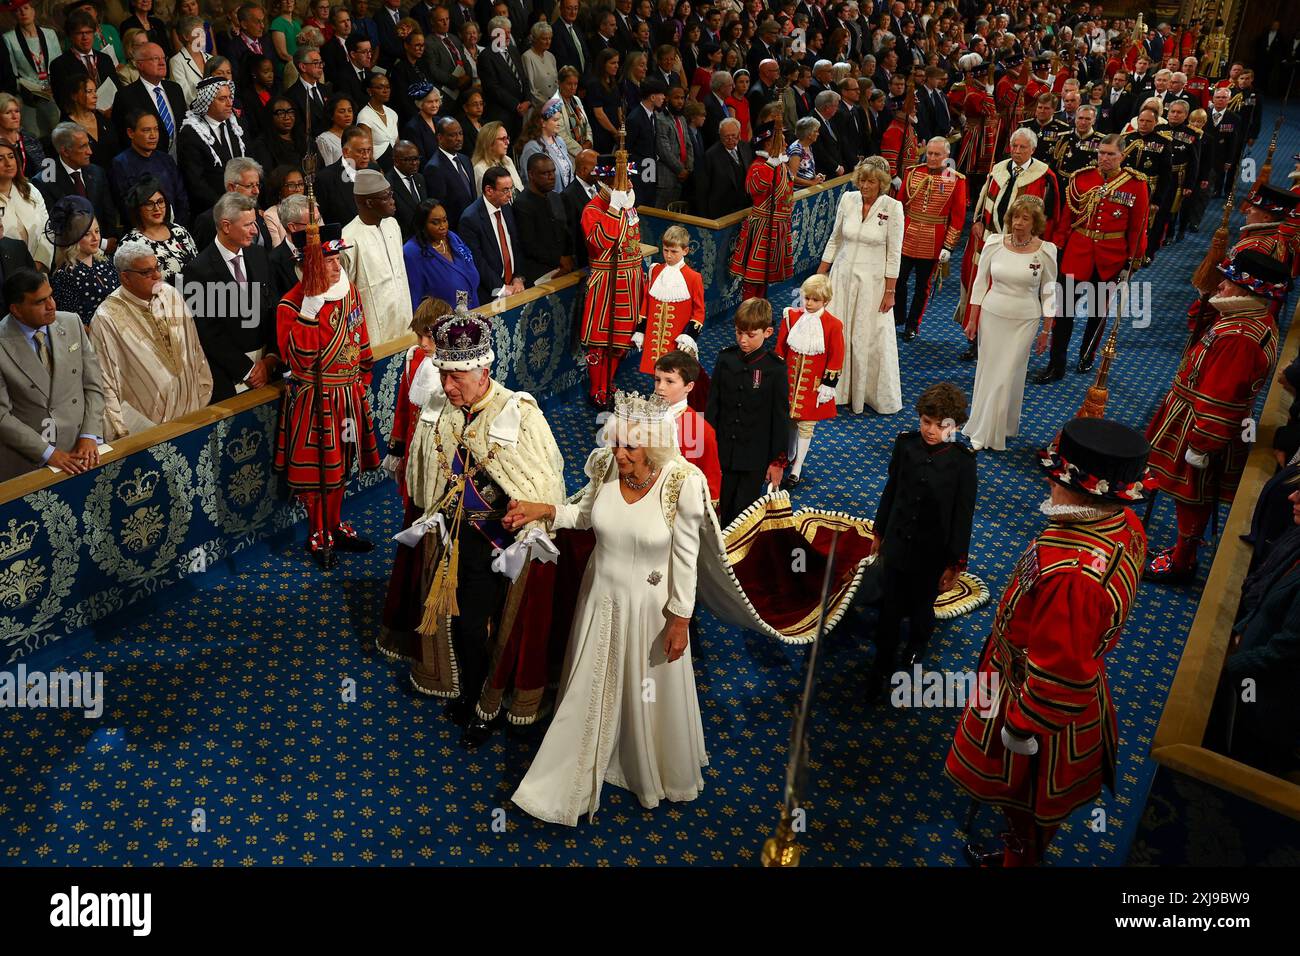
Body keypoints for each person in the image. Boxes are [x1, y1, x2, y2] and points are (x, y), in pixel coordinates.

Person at [946, 417, 1150, 867]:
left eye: (1056, 478)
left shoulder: (1073, 578)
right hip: (1062, 685)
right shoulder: (1125, 522)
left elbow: (1059, 673)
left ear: (1079, 489)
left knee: (1026, 806)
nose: (1049, 485)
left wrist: (1020, 728)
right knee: (1026, 812)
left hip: (1033, 703)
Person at [508, 390, 710, 824]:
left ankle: (641, 764)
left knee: (645, 692)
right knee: (589, 684)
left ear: (653, 445)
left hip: (653, 611)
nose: (619, 453)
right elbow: (583, 516)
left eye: (630, 446)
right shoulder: (604, 468)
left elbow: (687, 560)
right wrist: (538, 510)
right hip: (598, 598)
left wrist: (680, 619)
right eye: (615, 442)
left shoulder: (682, 483)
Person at [396, 298, 567, 744]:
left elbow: (545, 481)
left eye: (456, 377)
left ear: (483, 373)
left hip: (499, 545)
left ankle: (487, 706)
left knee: (482, 626)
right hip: (452, 540)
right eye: (444, 374)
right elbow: (424, 478)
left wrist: (525, 510)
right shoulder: (441, 409)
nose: (447, 385)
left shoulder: (519, 413)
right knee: (458, 624)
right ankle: (469, 692)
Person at [1144, 250, 1287, 585]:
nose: (1222, 285)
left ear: (1248, 291)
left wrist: (1201, 443)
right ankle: (1183, 552)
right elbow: (1196, 324)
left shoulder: (1239, 337)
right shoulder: (1248, 319)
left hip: (1200, 424)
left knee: (1192, 495)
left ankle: (1182, 561)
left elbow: (1219, 396)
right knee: (1194, 495)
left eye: (1230, 281)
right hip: (1206, 418)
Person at [274, 222, 379, 568]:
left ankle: (335, 524)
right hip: (315, 404)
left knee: (343, 464)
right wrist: (310, 310)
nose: (337, 266)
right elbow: (296, 359)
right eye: (329, 260)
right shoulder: (290, 306)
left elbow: (359, 333)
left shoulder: (349, 292)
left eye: (338, 259)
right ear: (311, 265)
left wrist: (363, 377)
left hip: (348, 398)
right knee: (318, 471)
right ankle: (318, 531)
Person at [867, 382, 976, 699]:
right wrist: (879, 531)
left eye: (940, 426)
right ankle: (881, 662)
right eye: (925, 422)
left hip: (932, 553)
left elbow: (962, 516)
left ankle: (915, 648)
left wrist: (956, 562)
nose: (930, 430)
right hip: (898, 543)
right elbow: (892, 490)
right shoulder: (906, 446)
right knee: (890, 605)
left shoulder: (963, 461)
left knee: (921, 607)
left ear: (954, 426)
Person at [1037, 134, 1147, 382]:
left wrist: (1132, 260)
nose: (1104, 159)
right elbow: (1068, 218)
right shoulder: (1081, 178)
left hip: (1110, 257)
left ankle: (1087, 355)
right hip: (1077, 253)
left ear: (1122, 156)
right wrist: (1057, 248)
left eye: (1111, 154)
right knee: (1063, 312)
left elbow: (1137, 226)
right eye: (1101, 153)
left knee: (1097, 313)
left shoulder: (1135, 184)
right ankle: (1056, 364)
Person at [962, 197, 1058, 452]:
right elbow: (980, 284)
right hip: (992, 316)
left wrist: (1047, 330)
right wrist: (972, 319)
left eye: (1025, 218)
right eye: (1016, 217)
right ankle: (987, 424)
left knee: (1006, 374)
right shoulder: (994, 243)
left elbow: (1050, 293)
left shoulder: (1046, 250)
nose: (1018, 222)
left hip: (1025, 319)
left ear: (1035, 222)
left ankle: (992, 431)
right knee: (989, 370)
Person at [91, 241, 214, 438]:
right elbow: (105, 380)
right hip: (147, 428)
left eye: (157, 267)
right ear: (126, 277)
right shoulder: (106, 318)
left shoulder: (171, 294)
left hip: (193, 412)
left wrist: (199, 395)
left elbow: (194, 348)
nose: (157, 275)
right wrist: (119, 430)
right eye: (146, 272)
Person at [955, 127, 1058, 359]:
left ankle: (1004, 343)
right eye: (1014, 146)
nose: (1017, 151)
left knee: (1008, 286)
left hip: (1021, 245)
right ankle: (975, 338)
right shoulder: (999, 170)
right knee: (980, 285)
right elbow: (983, 201)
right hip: (990, 239)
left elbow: (1048, 216)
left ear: (1033, 149)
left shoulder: (1044, 177)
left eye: (1023, 147)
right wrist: (979, 220)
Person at [0, 267, 105, 482]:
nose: (52, 306)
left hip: (83, 449)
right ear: (16, 310)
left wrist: (88, 435)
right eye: (40, 302)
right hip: (30, 460)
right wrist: (49, 454)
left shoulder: (72, 323)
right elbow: (2, 417)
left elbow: (93, 385)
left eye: (51, 296)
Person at [815, 161, 901, 415]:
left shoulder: (893, 208)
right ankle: (836, 390)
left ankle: (865, 394)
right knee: (837, 333)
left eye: (871, 182)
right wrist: (820, 277)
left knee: (867, 336)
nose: (865, 186)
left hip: (873, 283)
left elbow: (894, 253)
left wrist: (890, 291)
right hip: (841, 277)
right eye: (862, 181)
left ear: (881, 184)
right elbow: (835, 238)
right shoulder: (848, 199)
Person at [185, 192, 279, 402]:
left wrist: (271, 358)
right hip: (229, 378)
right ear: (226, 226)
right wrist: (249, 370)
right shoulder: (197, 271)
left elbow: (274, 306)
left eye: (255, 223)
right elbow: (207, 333)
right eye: (248, 225)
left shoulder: (258, 255)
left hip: (269, 369)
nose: (255, 231)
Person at [705, 297, 789, 526]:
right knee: (715, 511)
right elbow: (713, 407)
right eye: (739, 333)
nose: (743, 340)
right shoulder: (725, 359)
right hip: (722, 453)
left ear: (768, 332)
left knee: (742, 517)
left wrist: (777, 462)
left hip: (755, 458)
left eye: (751, 335)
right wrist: (707, 449)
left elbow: (780, 419)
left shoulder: (776, 368)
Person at [578, 154, 645, 407]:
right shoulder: (593, 209)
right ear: (609, 180)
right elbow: (599, 242)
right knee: (599, 341)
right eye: (624, 178)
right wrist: (615, 209)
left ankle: (608, 382)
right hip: (607, 282)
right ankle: (598, 388)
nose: (629, 183)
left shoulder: (628, 204)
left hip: (630, 280)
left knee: (621, 339)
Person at [774, 273, 844, 489]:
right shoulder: (791, 317)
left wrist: (828, 384)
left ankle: (797, 469)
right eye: (807, 299)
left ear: (826, 301)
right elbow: (780, 349)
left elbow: (836, 355)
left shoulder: (833, 325)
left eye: (816, 300)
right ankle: (789, 455)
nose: (810, 304)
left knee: (806, 425)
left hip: (813, 387)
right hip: (789, 382)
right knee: (789, 421)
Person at [896, 136, 965, 342]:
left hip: (934, 240)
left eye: (937, 154)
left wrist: (949, 246)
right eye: (930, 153)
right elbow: (900, 205)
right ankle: (897, 317)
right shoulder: (912, 173)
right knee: (898, 280)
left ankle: (912, 324)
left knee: (922, 286)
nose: (932, 158)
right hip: (907, 236)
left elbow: (958, 217)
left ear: (947, 156)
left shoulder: (956, 180)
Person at [342, 168, 413, 347]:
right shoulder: (348, 237)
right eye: (386, 197)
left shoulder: (392, 224)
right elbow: (346, 292)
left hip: (405, 322)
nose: (392, 201)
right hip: (374, 331)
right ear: (369, 203)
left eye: (391, 195)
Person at [729, 118, 795, 301]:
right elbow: (753, 188)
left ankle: (761, 310)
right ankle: (749, 313)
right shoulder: (759, 166)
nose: (786, 144)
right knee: (754, 277)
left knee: (765, 279)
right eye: (781, 140)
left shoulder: (781, 165)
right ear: (769, 144)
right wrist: (770, 165)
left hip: (778, 226)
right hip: (762, 228)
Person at [634, 224, 704, 377]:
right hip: (654, 335)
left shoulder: (693, 277)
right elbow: (646, 302)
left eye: (674, 251)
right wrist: (640, 330)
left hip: (676, 337)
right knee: (655, 371)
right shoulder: (656, 270)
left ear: (685, 251)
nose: (669, 255)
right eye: (666, 250)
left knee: (673, 373)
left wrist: (689, 336)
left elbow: (699, 312)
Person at [654, 348, 721, 505]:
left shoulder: (701, 430)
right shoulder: (642, 416)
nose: (660, 387)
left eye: (669, 381)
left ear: (689, 387)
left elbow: (711, 484)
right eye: (657, 379)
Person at [35, 122, 118, 241]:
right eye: (82, 146)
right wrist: (101, 244)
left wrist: (111, 239)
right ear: (65, 151)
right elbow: (57, 226)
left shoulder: (97, 172)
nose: (90, 151)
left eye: (88, 144)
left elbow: (108, 213)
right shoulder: (45, 181)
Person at [179, 76, 249, 214]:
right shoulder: (191, 133)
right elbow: (196, 182)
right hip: (213, 210)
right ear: (207, 101)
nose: (229, 103)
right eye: (222, 99)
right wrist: (226, 206)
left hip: (244, 204)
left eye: (230, 97)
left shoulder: (237, 124)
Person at [47, 197, 118, 326]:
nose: (95, 238)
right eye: (87, 234)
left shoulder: (105, 262)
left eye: (97, 231)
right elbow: (69, 320)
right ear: (73, 237)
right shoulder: (65, 275)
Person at [111, 112, 190, 227]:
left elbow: (181, 198)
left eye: (156, 129)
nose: (153, 135)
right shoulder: (121, 163)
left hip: (174, 228)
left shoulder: (166, 160)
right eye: (146, 130)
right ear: (131, 133)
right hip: (142, 231)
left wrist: (175, 227)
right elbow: (126, 207)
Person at [403, 198, 480, 313]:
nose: (443, 226)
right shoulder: (412, 251)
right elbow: (415, 296)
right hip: (442, 321)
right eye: (435, 222)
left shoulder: (452, 237)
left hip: (473, 309)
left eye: (444, 220)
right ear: (422, 224)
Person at [119, 176, 198, 283]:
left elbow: (197, 264)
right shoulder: (130, 243)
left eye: (160, 202)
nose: (157, 208)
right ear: (138, 209)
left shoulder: (179, 231)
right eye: (149, 204)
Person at [2, 0, 62, 139]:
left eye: (26, 8)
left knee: (58, 134)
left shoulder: (50, 34)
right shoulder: (9, 38)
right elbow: (12, 73)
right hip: (29, 99)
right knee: (36, 139)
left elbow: (59, 65)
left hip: (52, 94)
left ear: (33, 11)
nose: (23, 12)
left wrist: (54, 85)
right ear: (13, 15)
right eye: (18, 10)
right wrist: (30, 88)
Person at [511, 153, 575, 285]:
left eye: (553, 172)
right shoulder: (522, 204)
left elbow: (566, 231)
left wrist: (568, 256)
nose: (552, 177)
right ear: (531, 175)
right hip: (539, 272)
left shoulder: (556, 197)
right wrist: (559, 259)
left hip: (567, 266)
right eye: (545, 173)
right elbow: (529, 244)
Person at [0, 140, 51, 271]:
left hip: (38, 270)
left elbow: (48, 229)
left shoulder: (30, 189)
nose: (8, 163)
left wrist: (39, 263)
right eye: (0, 159)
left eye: (11, 157)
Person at [59, 74, 119, 173]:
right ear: (74, 96)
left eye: (95, 91)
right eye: (89, 92)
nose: (95, 96)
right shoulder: (66, 128)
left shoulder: (103, 119)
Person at [518, 96, 576, 194]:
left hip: (565, 199)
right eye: (555, 120)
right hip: (546, 201)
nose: (559, 124)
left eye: (559, 120)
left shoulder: (559, 141)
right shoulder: (532, 147)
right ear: (542, 122)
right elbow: (531, 181)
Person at [697, 116, 753, 218]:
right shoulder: (710, 156)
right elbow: (703, 190)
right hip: (722, 213)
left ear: (739, 134)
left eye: (734, 135)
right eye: (726, 137)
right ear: (720, 136)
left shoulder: (746, 147)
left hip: (745, 208)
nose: (730, 139)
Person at [471, 121, 524, 198]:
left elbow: (519, 188)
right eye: (503, 139)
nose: (508, 142)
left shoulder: (508, 160)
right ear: (489, 143)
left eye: (507, 138)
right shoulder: (479, 169)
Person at [522, 21, 559, 109]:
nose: (548, 42)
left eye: (550, 38)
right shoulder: (527, 57)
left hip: (555, 105)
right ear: (535, 39)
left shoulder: (551, 56)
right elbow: (531, 89)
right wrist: (548, 107)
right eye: (544, 39)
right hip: (538, 108)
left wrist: (556, 104)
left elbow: (556, 83)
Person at [314, 93, 357, 167]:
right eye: (342, 111)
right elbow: (328, 170)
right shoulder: (324, 140)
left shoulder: (356, 134)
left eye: (350, 110)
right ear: (331, 115)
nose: (347, 115)